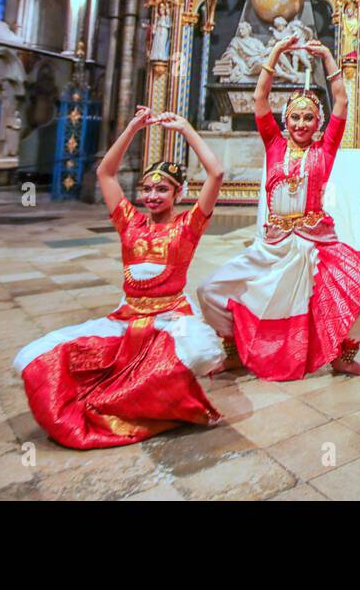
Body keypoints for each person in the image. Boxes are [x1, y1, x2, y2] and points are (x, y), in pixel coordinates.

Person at [13, 108, 226, 449]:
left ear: (178, 194)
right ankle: (125, 396)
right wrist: (131, 128)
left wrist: (186, 127)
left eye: (162, 189)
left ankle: (149, 402)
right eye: (147, 188)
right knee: (37, 355)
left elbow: (216, 173)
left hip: (169, 319)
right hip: (127, 318)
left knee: (199, 352)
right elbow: (105, 173)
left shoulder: (188, 226)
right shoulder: (130, 222)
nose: (152, 195)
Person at [198, 34, 360, 379]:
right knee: (209, 291)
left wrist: (328, 56)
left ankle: (345, 354)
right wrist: (277, 51)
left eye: (308, 118)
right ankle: (234, 349)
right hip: (273, 247)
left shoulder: (324, 150)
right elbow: (260, 97)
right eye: (295, 118)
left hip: (316, 244)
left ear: (318, 124)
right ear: (286, 121)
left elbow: (341, 100)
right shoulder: (274, 145)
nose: (300, 124)